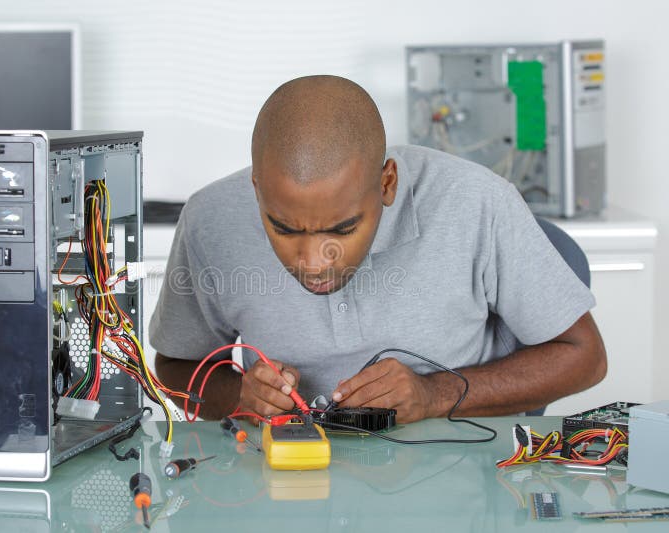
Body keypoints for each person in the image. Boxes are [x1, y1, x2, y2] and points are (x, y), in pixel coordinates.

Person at [149, 75, 606, 424]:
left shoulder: (477, 202)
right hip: (284, 483)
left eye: (343, 228)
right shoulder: (210, 218)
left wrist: (434, 395)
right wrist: (237, 398)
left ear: (386, 183)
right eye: (283, 228)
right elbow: (172, 365)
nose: (312, 262)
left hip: (449, 480)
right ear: (256, 189)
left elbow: (584, 356)